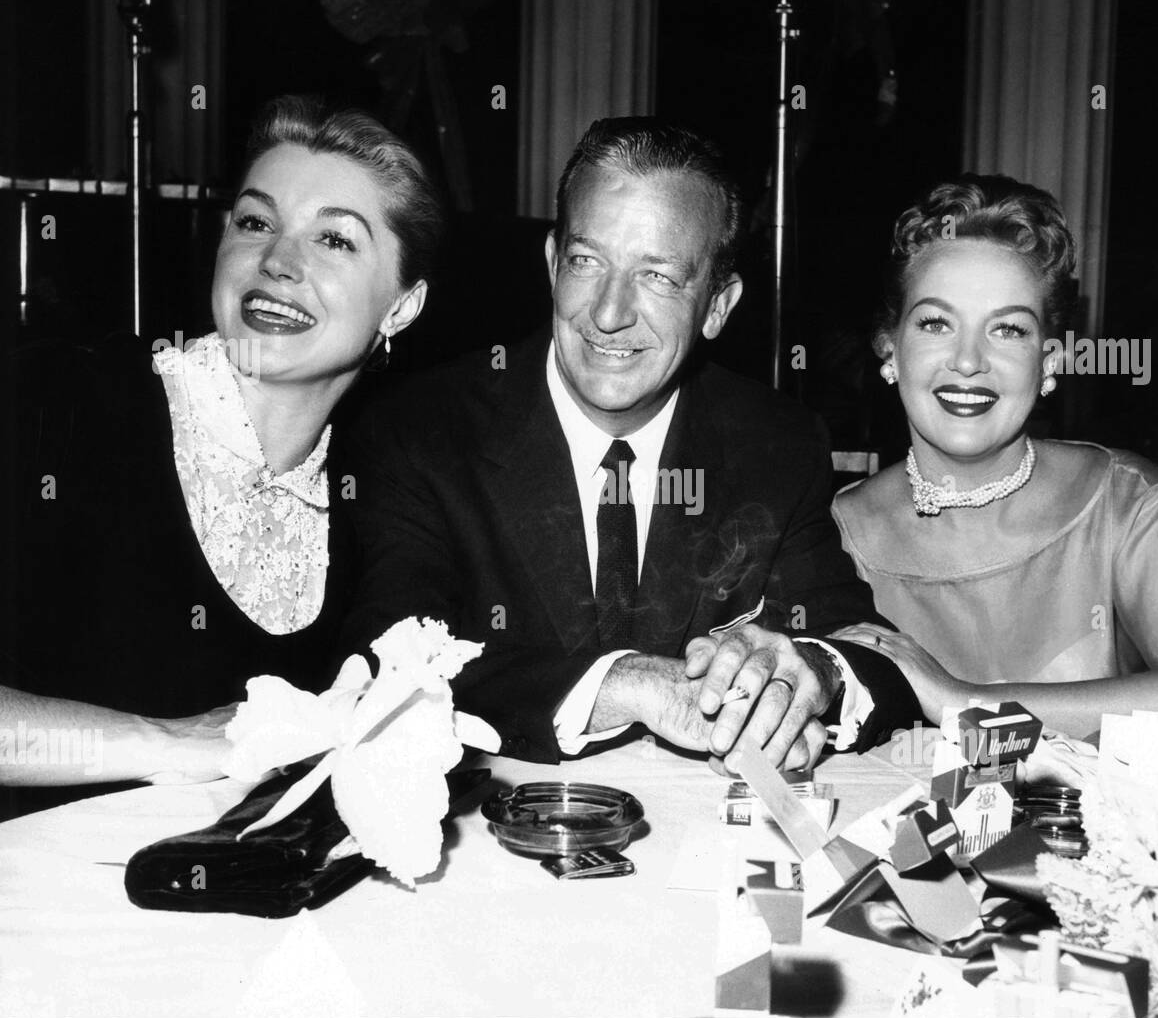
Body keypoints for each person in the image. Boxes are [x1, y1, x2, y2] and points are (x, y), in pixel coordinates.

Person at [341, 117, 918, 772]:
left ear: (718, 306)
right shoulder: (420, 433)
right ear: (554, 263)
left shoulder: (775, 444)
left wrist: (812, 675)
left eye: (659, 277)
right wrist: (628, 686)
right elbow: (381, 662)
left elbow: (867, 649)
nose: (610, 313)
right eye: (588, 262)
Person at [0, 95, 439, 795]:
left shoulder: (383, 501)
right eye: (256, 222)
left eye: (334, 240)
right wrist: (164, 744)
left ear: (402, 307)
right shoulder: (58, 401)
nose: (278, 261)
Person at [831, 174, 1158, 738]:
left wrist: (965, 701)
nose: (968, 360)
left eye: (1008, 330)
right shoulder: (839, 530)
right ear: (890, 347)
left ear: (1051, 360)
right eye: (936, 323)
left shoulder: (1126, 499)